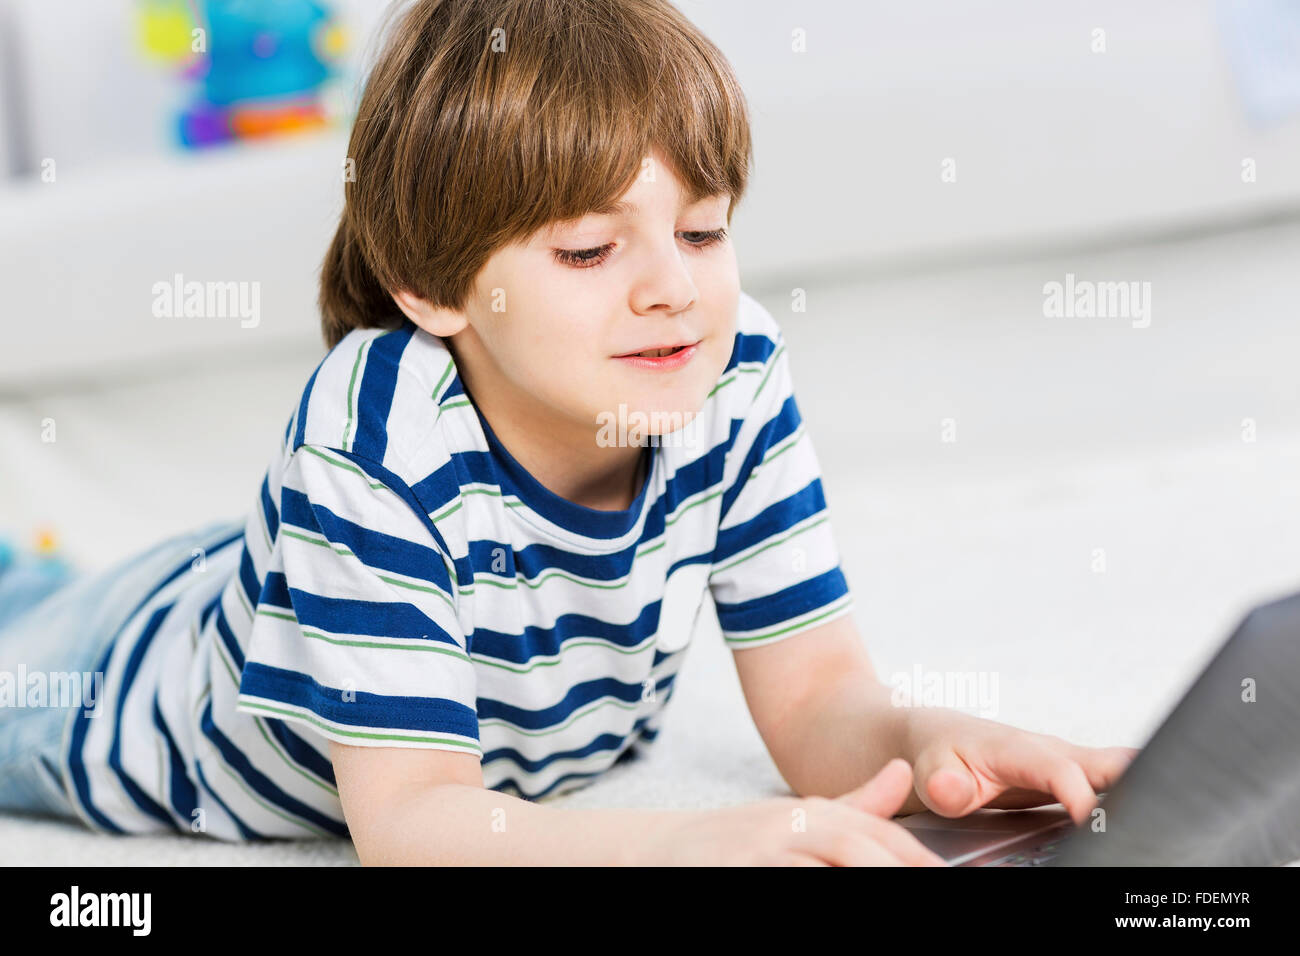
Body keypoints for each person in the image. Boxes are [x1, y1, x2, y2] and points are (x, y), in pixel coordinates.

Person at [0, 0, 1134, 864]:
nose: (671, 289)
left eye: (701, 231)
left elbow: (820, 704)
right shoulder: (376, 431)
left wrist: (936, 742)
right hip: (121, 670)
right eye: (590, 251)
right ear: (428, 282)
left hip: (292, 583)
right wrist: (688, 841)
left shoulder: (733, 374)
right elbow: (411, 820)